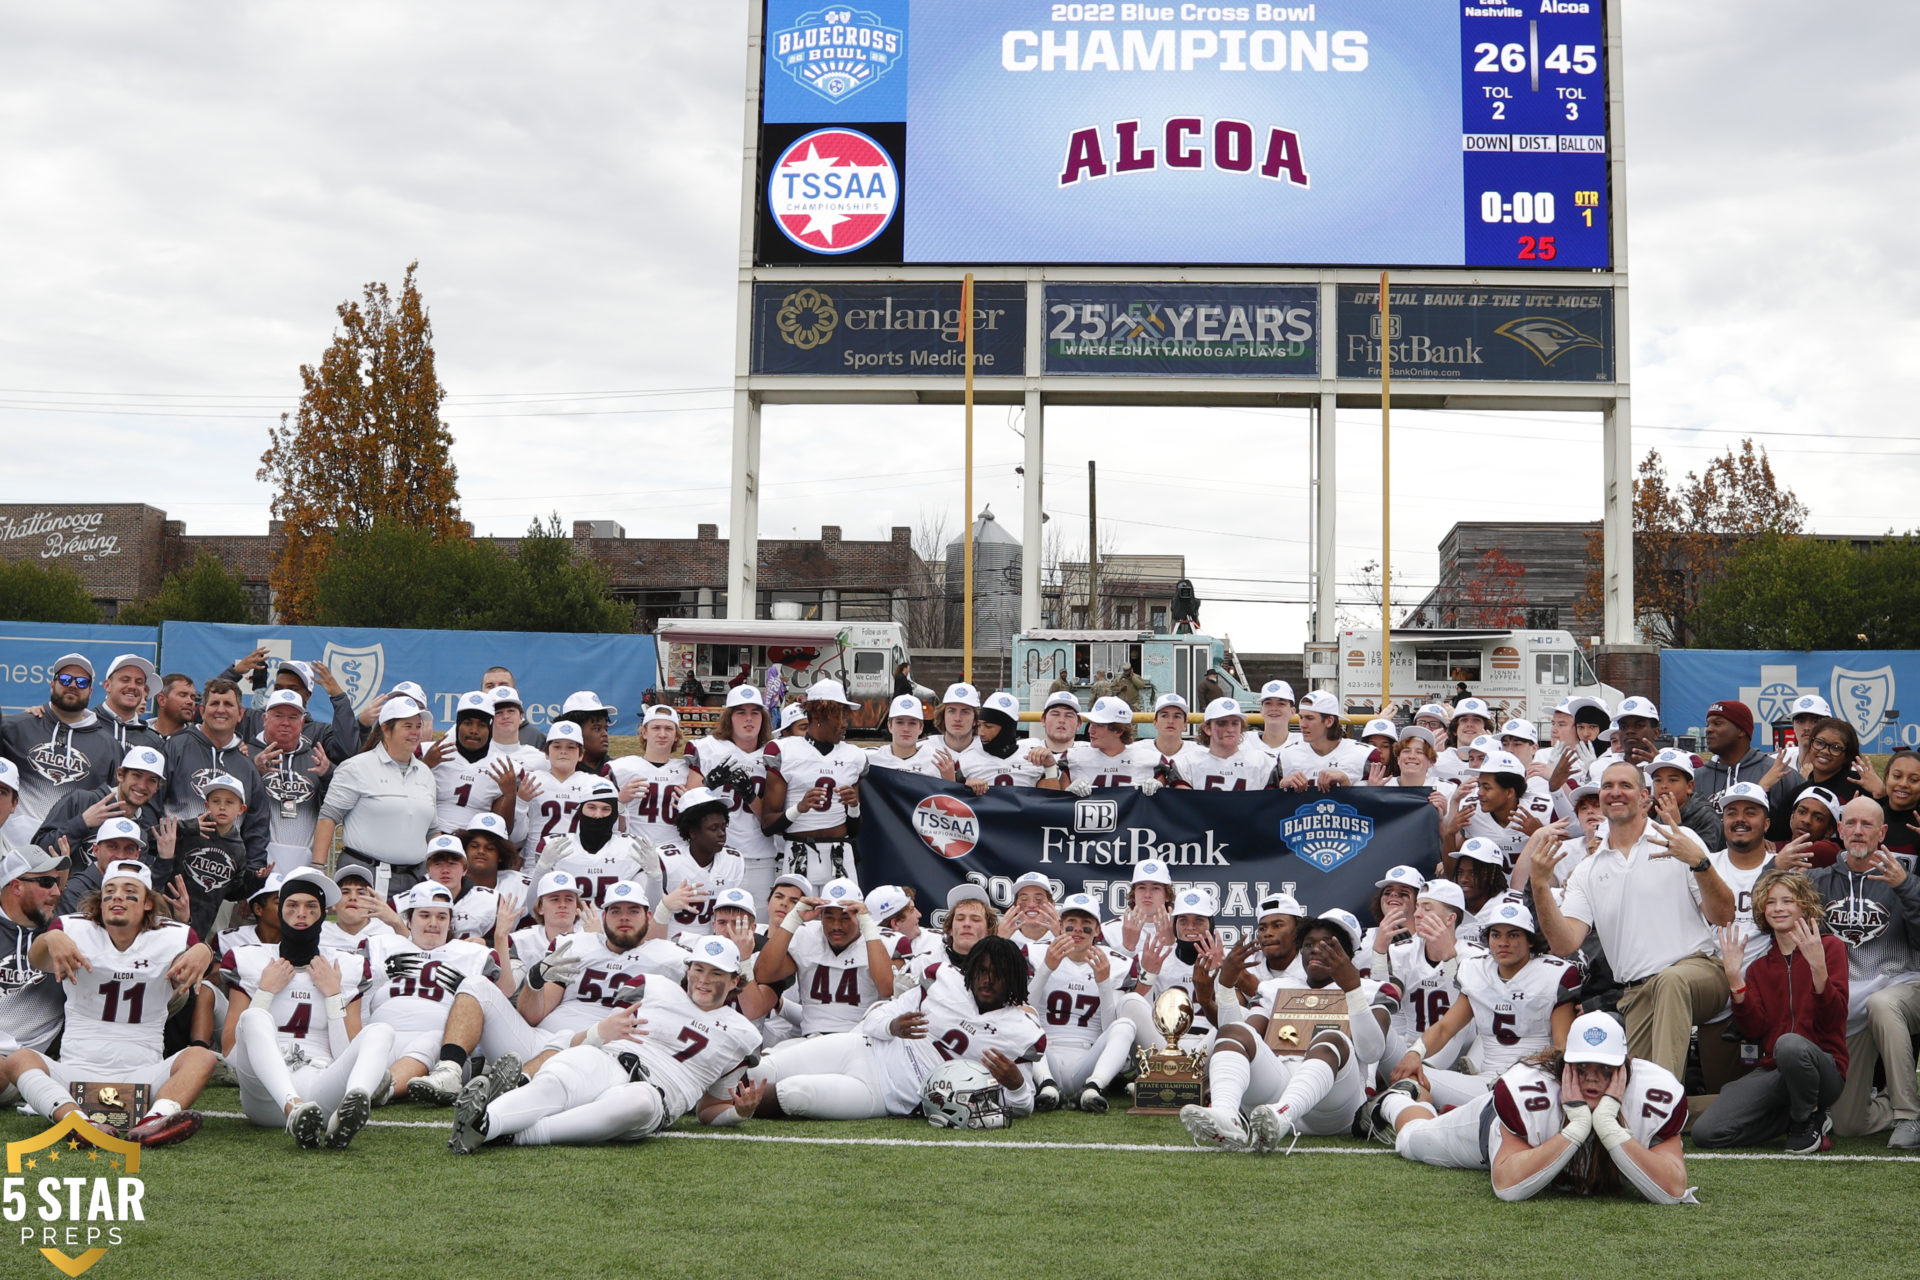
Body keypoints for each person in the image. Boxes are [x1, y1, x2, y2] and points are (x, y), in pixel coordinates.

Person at [449, 934, 765, 1152]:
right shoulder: (650, 986)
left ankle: (509, 1136)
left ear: (735, 980)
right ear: (688, 969)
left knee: (634, 1103)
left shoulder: (744, 1036)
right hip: (612, 1059)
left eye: (716, 973)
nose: (704, 979)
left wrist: (739, 1113)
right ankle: (485, 1123)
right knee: (565, 1072)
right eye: (698, 969)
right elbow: (607, 1036)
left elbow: (708, 1110)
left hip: (657, 1094)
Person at [1523, 761, 1735, 1077]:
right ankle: (1692, 1108)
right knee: (1633, 1091)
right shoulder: (1587, 869)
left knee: (1670, 982)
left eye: (1625, 785)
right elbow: (1565, 942)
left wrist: (1700, 863)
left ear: (1644, 797)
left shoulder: (1678, 838)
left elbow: (1724, 914)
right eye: (1607, 786)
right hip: (1637, 993)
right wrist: (1540, 885)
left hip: (1700, 972)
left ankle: (1665, 1108)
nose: (1614, 792)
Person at [1373, 1011, 1695, 1204]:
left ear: (1624, 1067)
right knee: (1413, 1141)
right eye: (1583, 1068)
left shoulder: (1654, 1093)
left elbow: (1673, 1188)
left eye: (1605, 1069)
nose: (1593, 1080)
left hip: (1550, 1145)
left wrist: (1608, 1126)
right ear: (1566, 1063)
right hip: (1491, 1131)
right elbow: (1507, 1185)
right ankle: (1395, 1100)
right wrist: (1578, 1127)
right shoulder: (1529, 1090)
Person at [0, 860, 216, 1145]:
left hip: (144, 1074)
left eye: (129, 893)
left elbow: (196, 967)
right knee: (18, 1059)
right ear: (99, 901)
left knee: (202, 1057)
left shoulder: (173, 936)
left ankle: (156, 1120)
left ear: (148, 904)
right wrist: (50, 938)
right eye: (110, 891)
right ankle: (76, 1122)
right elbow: (37, 959)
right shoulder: (70, 929)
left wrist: (205, 950)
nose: (117, 898)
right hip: (75, 1070)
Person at [751, 935, 1044, 1122]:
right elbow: (875, 1017)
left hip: (884, 1095)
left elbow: (1023, 1106)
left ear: (1015, 981)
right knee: (763, 1070)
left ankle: (726, 1109)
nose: (987, 981)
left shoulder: (1022, 1032)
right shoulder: (942, 983)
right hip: (865, 1049)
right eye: (981, 971)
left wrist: (1016, 1083)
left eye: (997, 975)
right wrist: (893, 1027)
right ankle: (707, 1100)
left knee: (796, 1093)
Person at [1180, 911, 1396, 1152]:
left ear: (1347, 953)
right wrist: (1227, 986)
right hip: (1271, 1100)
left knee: (1330, 1037)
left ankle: (1285, 1114)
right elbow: (1242, 1035)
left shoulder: (1372, 990)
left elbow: (1372, 1052)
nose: (1315, 949)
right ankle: (1226, 1114)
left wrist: (1352, 990)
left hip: (1332, 1108)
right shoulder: (1276, 988)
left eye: (1327, 944)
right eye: (1308, 945)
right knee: (1233, 1031)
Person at [220, 869, 394, 1149]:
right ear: (281, 910)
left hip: (320, 1087)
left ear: (323, 913)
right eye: (292, 905)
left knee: (381, 1031)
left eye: (311, 906)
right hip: (265, 1097)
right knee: (254, 1016)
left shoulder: (342, 966)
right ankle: (293, 1108)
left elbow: (342, 1053)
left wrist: (333, 995)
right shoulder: (252, 959)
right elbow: (231, 1052)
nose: (301, 913)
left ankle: (352, 1105)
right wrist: (265, 992)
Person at [1693, 868, 1849, 1152]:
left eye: (1787, 901)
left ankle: (1807, 1119)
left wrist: (1819, 970)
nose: (1778, 908)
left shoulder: (1830, 948)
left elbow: (1834, 1019)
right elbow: (1753, 1030)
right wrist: (1735, 980)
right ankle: (1792, 1118)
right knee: (1706, 1134)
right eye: (1771, 902)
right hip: (1775, 1071)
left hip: (1824, 1069)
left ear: (1804, 905)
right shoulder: (1759, 968)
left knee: (1789, 1045)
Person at [1388, 900, 1581, 1105]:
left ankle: (1455, 1117)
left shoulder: (1553, 974)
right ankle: (1438, 1119)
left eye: (1513, 935)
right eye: (1496, 934)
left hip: (1536, 1082)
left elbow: (1562, 1048)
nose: (1502, 942)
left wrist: (1525, 1070)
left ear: (1530, 940)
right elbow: (1446, 1028)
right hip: (1486, 1080)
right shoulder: (1476, 970)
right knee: (1410, 1080)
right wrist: (1415, 1053)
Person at [1809, 797, 1920, 1146]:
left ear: (1882, 832)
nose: (1858, 831)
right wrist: (1774, 869)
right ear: (1840, 830)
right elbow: (1769, 912)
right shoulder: (1817, 880)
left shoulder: (1906, 874)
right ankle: (1890, 1107)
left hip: (1905, 988)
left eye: (1867, 825)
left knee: (1883, 1004)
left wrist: (1905, 888)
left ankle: (1909, 1116)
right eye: (1851, 823)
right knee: (1848, 1124)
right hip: (1850, 1004)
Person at [360, 882, 509, 1103]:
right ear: (408, 920)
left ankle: (381, 1090)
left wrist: (501, 939)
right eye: (425, 915)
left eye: (441, 917)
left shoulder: (471, 954)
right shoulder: (380, 946)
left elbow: (504, 994)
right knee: (378, 1037)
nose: (433, 923)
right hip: (384, 1036)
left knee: (433, 1039)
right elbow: (353, 996)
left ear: (450, 922)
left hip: (441, 1048)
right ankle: (378, 1086)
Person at [313, 696, 436, 898]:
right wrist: (318, 867)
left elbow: (433, 829)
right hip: (364, 878)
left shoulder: (425, 773)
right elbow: (328, 816)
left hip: (415, 879)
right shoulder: (356, 767)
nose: (415, 732)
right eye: (407, 726)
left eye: (418, 726)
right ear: (386, 729)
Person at [1, 653, 122, 849]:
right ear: (52, 684)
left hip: (69, 853)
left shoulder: (109, 747)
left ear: (91, 692)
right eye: (65, 679)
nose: (73, 685)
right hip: (9, 850)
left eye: (82, 682)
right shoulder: (15, 728)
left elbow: (115, 803)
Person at [162, 676, 272, 884]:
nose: (221, 710)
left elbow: (257, 826)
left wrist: (251, 876)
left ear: (240, 714)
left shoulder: (246, 766)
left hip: (224, 880)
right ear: (202, 711)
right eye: (214, 703)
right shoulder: (175, 747)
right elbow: (153, 803)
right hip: (171, 872)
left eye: (228, 704)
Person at [760, 680, 868, 887]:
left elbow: (854, 830)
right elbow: (768, 824)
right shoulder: (784, 750)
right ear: (818, 715)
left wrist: (854, 807)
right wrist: (800, 808)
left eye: (846, 715)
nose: (845, 723)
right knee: (798, 918)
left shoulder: (854, 756)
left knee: (843, 917)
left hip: (840, 853)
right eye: (839, 715)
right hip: (798, 852)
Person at [753, 877, 894, 1035]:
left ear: (859, 917)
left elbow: (887, 989)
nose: (836, 926)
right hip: (813, 1038)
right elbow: (763, 974)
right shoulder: (807, 935)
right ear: (820, 916)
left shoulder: (878, 941)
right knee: (769, 1060)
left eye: (845, 918)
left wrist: (868, 926)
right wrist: (793, 919)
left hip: (860, 1039)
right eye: (829, 917)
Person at [1363, 879, 1476, 1076]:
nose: (1416, 914)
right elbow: (1386, 1002)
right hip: (1410, 1041)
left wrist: (1449, 957)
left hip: (1452, 1044)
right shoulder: (1404, 950)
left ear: (1450, 919)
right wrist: (1379, 951)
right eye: (1417, 907)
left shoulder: (1474, 956)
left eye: (1427, 908)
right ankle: (1369, 1086)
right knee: (1373, 1024)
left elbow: (1459, 1006)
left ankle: (1421, 1077)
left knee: (1458, 1029)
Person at [1030, 893, 1129, 1112]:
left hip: (1089, 1060)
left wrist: (1103, 983)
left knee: (1125, 1025)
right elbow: (1025, 1008)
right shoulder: (1035, 953)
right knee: (1021, 1018)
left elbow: (1108, 1027)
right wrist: (1046, 968)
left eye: (1086, 925)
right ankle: (1046, 1086)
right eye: (1071, 924)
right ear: (1060, 925)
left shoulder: (1114, 963)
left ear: (1097, 932)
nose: (1077, 930)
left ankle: (1093, 1088)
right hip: (1045, 1056)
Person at [690, 685, 778, 903]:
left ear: (763, 717)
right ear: (729, 717)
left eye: (754, 712)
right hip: (717, 854)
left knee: (758, 927)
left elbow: (772, 820)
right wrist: (708, 785)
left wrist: (750, 796)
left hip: (760, 856)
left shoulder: (775, 753)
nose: (749, 719)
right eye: (741, 712)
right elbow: (688, 806)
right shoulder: (708, 748)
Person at [241, 690, 335, 876]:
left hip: (304, 865)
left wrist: (328, 775)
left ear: (302, 723)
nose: (285, 722)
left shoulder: (317, 760)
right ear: (265, 719)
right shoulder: (245, 754)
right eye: (278, 716)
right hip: (254, 863)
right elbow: (231, 805)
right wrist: (252, 770)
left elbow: (333, 811)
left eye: (293, 717)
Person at [530, 778, 655, 909]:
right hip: (568, 926)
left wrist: (655, 878)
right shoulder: (554, 846)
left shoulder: (632, 846)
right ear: (580, 810)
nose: (597, 815)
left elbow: (649, 909)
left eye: (606, 809)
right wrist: (541, 869)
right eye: (591, 807)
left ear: (614, 814)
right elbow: (534, 910)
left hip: (615, 927)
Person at [215, 652, 362, 762]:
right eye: (278, 688)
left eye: (292, 689)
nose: (284, 693)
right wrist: (234, 673)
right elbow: (208, 715)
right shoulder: (252, 719)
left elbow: (347, 754)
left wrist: (339, 698)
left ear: (307, 695)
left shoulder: (320, 732)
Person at [0, 844, 72, 1062]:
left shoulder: (68, 932)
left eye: (57, 882)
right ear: (16, 887)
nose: (57, 892)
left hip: (31, 1066)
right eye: (46, 882)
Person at [34, 745, 170, 855]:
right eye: (136, 775)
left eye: (151, 780)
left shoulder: (141, 830)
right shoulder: (82, 800)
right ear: (120, 775)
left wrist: (165, 858)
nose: (142, 786)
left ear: (157, 788)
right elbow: (38, 850)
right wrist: (82, 823)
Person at [1704, 782, 1778, 977]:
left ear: (1766, 824)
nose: (1740, 819)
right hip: (1710, 975)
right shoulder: (1705, 866)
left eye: (1750, 813)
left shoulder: (1782, 867)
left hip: (1765, 976)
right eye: (1731, 813)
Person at [655, 787, 744, 942]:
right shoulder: (666, 859)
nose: (722, 833)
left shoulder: (734, 860)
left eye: (723, 827)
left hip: (714, 945)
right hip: (669, 943)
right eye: (713, 828)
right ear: (692, 831)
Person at [425, 691, 518, 837]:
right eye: (468, 723)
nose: (474, 731)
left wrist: (509, 795)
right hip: (429, 835)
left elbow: (503, 831)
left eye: (482, 725)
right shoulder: (430, 753)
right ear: (457, 724)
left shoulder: (503, 767)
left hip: (474, 844)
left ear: (490, 729)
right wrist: (425, 766)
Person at [611, 705, 702, 852]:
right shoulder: (621, 768)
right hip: (633, 850)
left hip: (677, 852)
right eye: (656, 728)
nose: (662, 734)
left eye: (669, 729)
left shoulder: (688, 772)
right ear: (644, 732)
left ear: (676, 735)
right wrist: (620, 800)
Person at [1442, 751, 1551, 869]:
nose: (1479, 793)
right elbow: (1451, 872)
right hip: (1487, 887)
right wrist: (1450, 834)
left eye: (1487, 787)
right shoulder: (1471, 812)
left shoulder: (1544, 809)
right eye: (1479, 786)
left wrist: (1541, 834)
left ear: (1509, 792)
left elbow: (1568, 856)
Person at [1695, 699, 1800, 808]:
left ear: (1741, 730)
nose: (1708, 729)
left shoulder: (1780, 774)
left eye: (1717, 723)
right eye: (1708, 724)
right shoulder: (1697, 778)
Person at [960, 691, 1066, 790]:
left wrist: (1050, 767)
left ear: (1007, 728)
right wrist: (965, 789)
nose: (981, 733)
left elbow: (1050, 802)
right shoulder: (967, 759)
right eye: (979, 725)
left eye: (988, 726)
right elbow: (952, 801)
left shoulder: (1033, 757)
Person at [1278, 691, 1370, 790]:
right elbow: (1267, 801)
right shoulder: (1286, 755)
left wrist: (1345, 783)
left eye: (1310, 718)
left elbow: (1377, 801)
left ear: (1329, 721)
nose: (1302, 724)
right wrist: (1281, 786)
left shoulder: (1365, 756)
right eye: (1301, 717)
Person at [1064, 697, 1156, 791]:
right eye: (1091, 723)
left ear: (1119, 730)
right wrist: (1066, 792)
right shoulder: (1072, 758)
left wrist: (1161, 788)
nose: (1090, 730)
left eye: (1099, 725)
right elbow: (1054, 798)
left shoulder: (1151, 761)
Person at [1646, 748, 1723, 855]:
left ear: (1689, 786)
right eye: (1658, 780)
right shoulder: (1652, 811)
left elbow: (1705, 862)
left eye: (1672, 780)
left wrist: (1677, 826)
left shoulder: (1705, 816)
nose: (1664, 786)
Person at [1186, 698, 1273, 791]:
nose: (1230, 729)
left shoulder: (1261, 762)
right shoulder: (1189, 764)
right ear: (1207, 729)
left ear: (1241, 727)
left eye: (1235, 723)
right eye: (1222, 723)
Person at [89, 654, 166, 755]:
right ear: (107, 686)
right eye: (125, 680)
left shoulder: (154, 741)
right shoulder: (86, 724)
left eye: (139, 682)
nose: (132, 686)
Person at [319, 863, 396, 952]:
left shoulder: (389, 932)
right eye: (345, 892)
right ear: (334, 903)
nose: (353, 897)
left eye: (361, 893)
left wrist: (397, 922)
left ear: (371, 902)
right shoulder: (319, 933)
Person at [869, 694, 944, 777]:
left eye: (912, 723)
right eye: (900, 722)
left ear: (921, 727)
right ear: (890, 726)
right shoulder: (870, 758)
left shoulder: (935, 763)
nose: (906, 729)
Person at [1433, 697, 1497, 785]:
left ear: (1486, 729)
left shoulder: (1497, 763)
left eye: (1476, 720)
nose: (1470, 725)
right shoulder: (1437, 761)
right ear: (1455, 730)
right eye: (1464, 720)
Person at [555, 691, 618, 776]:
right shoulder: (560, 772)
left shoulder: (616, 769)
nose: (605, 734)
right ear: (575, 732)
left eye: (606, 728)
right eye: (597, 728)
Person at [1880, 749, 1920, 857]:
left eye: (1914, 780)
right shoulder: (1870, 816)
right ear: (1887, 776)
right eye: (1897, 776)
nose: (1903, 784)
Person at [149, 674, 199, 741]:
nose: (190, 702)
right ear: (162, 700)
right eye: (183, 695)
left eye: (193, 698)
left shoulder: (197, 741)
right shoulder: (138, 734)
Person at [1254, 680, 1297, 755]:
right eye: (1268, 703)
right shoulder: (1244, 745)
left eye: (1281, 704)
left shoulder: (1305, 745)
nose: (1273, 708)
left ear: (1292, 711)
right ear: (1261, 710)